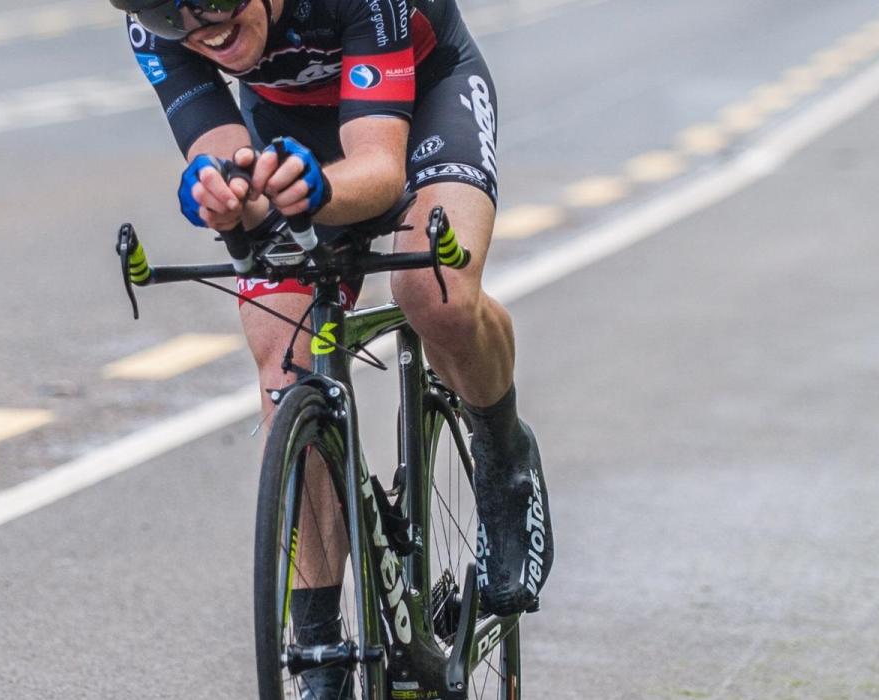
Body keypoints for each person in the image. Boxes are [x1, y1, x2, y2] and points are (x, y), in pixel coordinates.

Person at [112, 0, 554, 693]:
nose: (205, 29)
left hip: (424, 99)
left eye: (218, 1)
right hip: (291, 127)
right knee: (282, 353)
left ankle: (505, 458)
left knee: (436, 296)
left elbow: (378, 169)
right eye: (178, 19)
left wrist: (315, 189)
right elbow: (218, 148)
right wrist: (229, 194)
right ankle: (319, 651)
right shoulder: (160, 20)